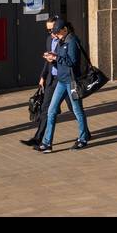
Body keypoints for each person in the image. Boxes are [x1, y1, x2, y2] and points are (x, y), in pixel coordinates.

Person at [38, 20, 90, 152]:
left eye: (58, 33)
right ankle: (47, 143)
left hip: (72, 81)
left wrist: (56, 58)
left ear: (65, 29)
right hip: (62, 81)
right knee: (51, 110)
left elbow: (72, 62)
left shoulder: (72, 41)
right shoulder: (62, 41)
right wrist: (53, 57)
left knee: (77, 110)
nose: (56, 36)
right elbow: (61, 58)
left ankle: (83, 139)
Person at [23, 14, 67, 147]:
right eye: (48, 30)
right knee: (45, 108)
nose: (50, 32)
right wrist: (43, 75)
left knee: (76, 109)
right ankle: (38, 137)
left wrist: (55, 58)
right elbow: (47, 62)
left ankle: (84, 133)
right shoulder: (49, 40)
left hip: (65, 79)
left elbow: (69, 59)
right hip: (52, 79)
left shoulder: (65, 40)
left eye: (52, 29)